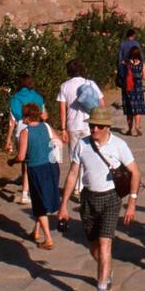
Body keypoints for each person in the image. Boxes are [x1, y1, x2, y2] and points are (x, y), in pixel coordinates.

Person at [57, 106, 140, 291]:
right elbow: (73, 173)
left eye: (98, 126)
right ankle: (107, 271)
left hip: (111, 199)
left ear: (107, 127)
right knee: (94, 247)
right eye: (92, 125)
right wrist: (64, 204)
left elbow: (135, 172)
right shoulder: (82, 145)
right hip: (88, 199)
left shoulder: (119, 145)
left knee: (105, 245)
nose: (94, 129)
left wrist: (131, 202)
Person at [14, 102, 62, 251]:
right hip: (51, 166)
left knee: (39, 203)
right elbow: (59, 142)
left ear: (28, 117)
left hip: (36, 168)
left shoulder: (25, 132)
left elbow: (21, 156)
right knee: (43, 199)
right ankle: (36, 231)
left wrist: (12, 160)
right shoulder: (46, 127)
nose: (22, 120)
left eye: (23, 117)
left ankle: (48, 238)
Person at [5, 73, 45, 204]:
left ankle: (25, 191)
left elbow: (12, 121)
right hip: (35, 128)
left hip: (19, 131)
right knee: (35, 160)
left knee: (25, 162)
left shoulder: (15, 98)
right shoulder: (37, 97)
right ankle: (30, 191)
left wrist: (8, 139)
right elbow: (44, 115)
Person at [57, 59, 91, 199]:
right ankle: (83, 186)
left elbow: (62, 109)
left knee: (74, 158)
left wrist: (63, 129)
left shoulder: (64, 86)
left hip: (72, 125)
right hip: (88, 124)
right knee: (87, 156)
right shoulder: (88, 83)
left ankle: (76, 187)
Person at [116, 44, 145, 136]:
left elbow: (121, 73)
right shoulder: (142, 64)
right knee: (137, 109)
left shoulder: (126, 63)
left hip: (127, 88)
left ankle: (130, 129)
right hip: (138, 89)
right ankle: (137, 126)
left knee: (129, 110)